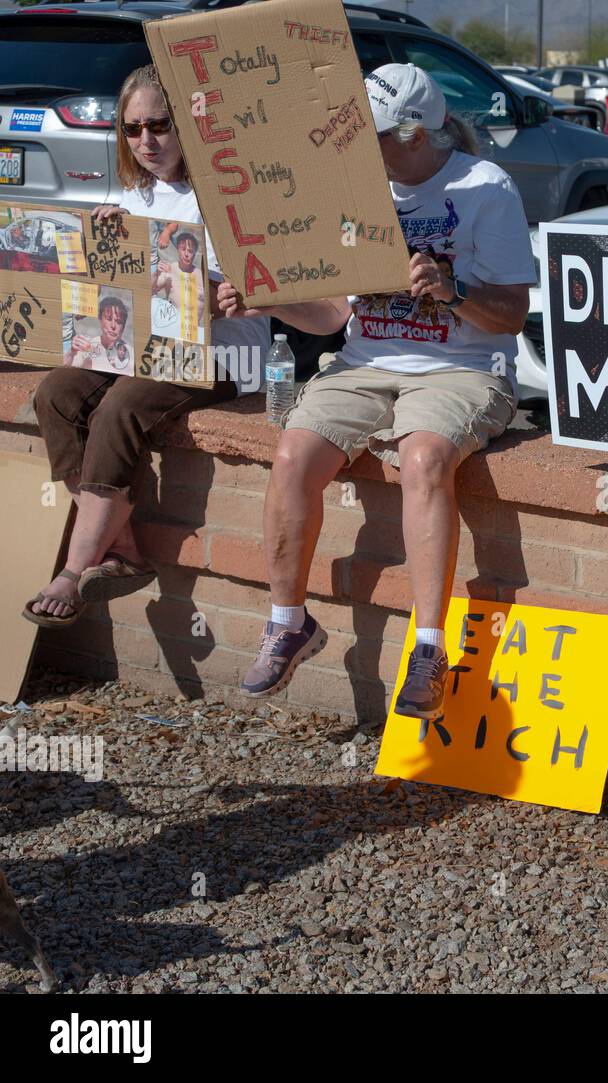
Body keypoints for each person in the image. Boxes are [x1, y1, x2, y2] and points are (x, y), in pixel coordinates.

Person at [218, 64, 533, 716]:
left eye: (373, 135)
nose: (357, 148)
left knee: (423, 459)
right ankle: (288, 620)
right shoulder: (356, 192)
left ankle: (429, 647)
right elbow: (332, 314)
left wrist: (454, 290)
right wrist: (267, 300)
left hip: (463, 368)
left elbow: (512, 315)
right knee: (292, 455)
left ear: (418, 133)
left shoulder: (485, 188)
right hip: (364, 360)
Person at [24, 64, 270, 627]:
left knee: (120, 406)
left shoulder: (227, 197)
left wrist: (193, 285)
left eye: (158, 125)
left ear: (186, 124)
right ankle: (126, 548)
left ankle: (76, 565)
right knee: (56, 394)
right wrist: (108, 245)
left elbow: (246, 292)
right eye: (132, 130)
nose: (145, 141)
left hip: (225, 352)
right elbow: (116, 295)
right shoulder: (133, 192)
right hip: (143, 346)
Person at [64, 295, 133, 372]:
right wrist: (71, 353)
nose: (113, 326)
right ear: (100, 319)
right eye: (109, 319)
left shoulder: (132, 354)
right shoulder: (86, 346)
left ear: (123, 327)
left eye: (119, 322)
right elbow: (63, 370)